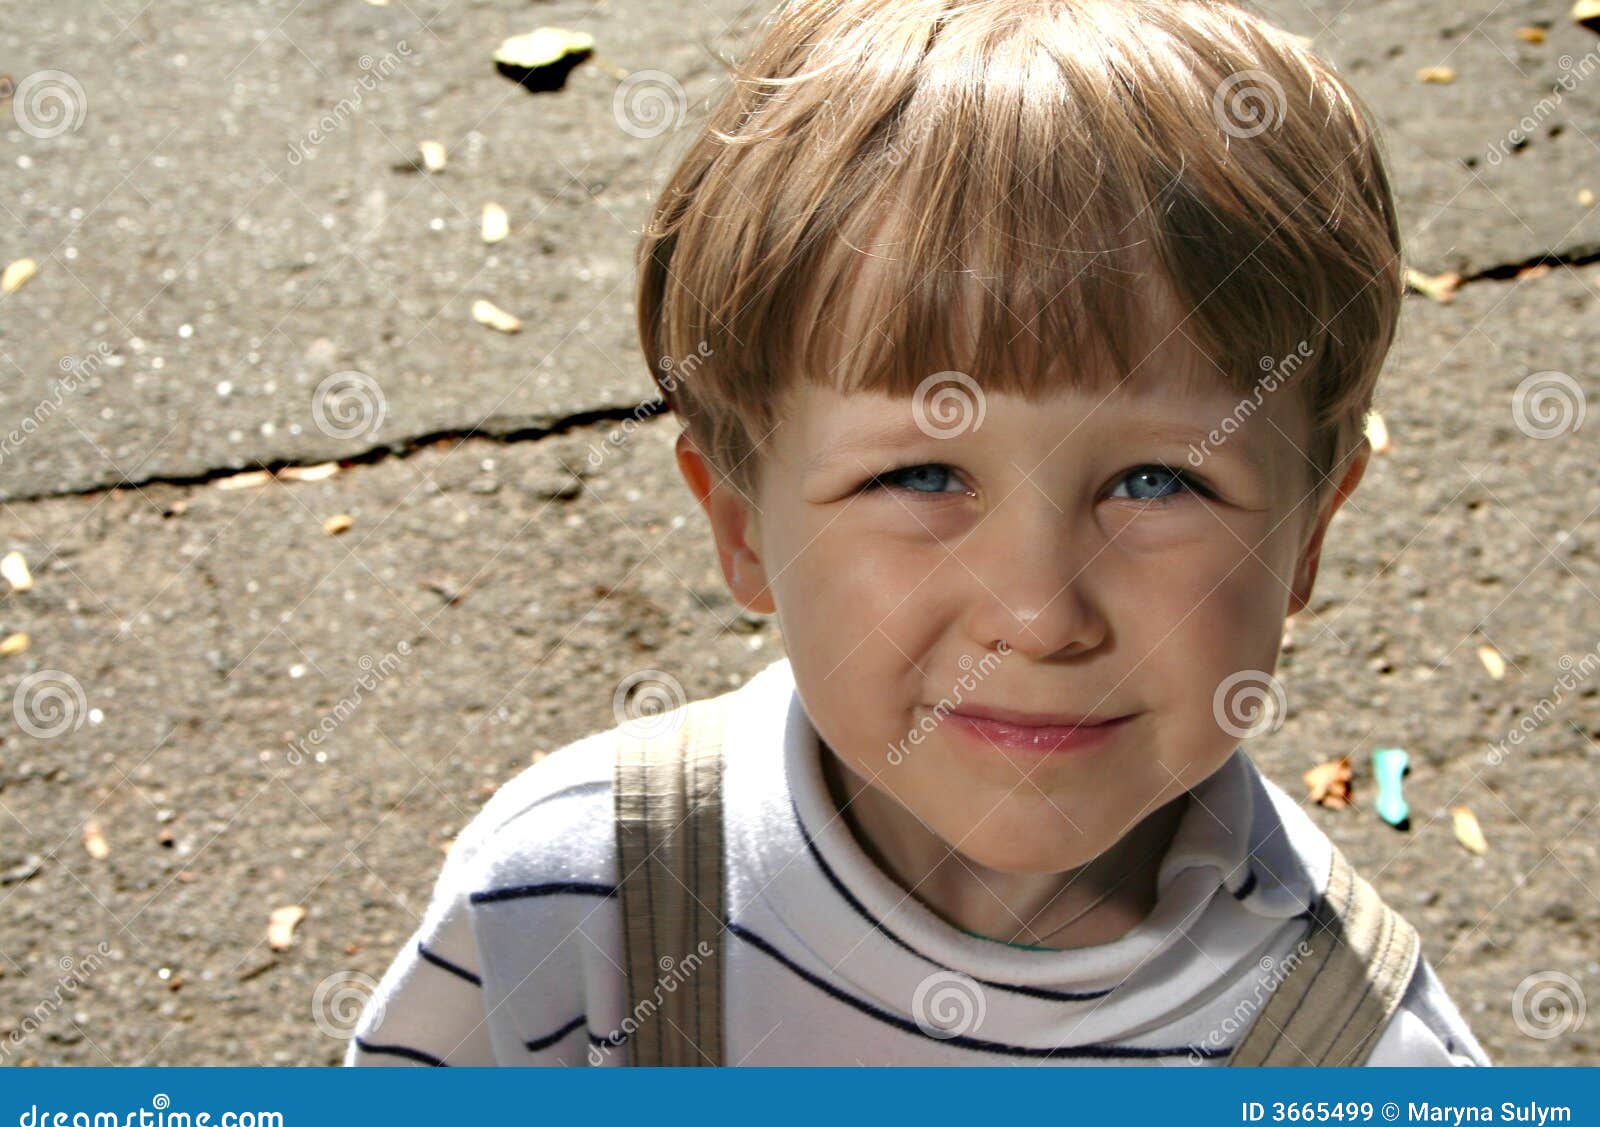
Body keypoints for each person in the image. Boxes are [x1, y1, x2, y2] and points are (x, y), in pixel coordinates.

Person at [347, 0, 1491, 1066]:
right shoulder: (572, 898)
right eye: (923, 474)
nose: (1036, 613)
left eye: (1155, 482)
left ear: (1306, 533)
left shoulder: (1365, 1057)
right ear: (739, 521)